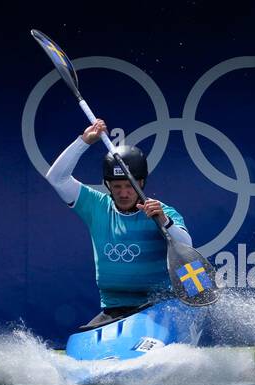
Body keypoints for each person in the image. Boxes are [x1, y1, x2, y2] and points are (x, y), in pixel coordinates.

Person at [47, 119, 195, 329]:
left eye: (129, 186)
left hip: (158, 308)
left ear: (141, 183)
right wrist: (84, 141)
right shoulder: (96, 206)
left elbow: (187, 246)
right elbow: (57, 178)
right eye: (117, 186)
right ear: (108, 184)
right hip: (114, 310)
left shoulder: (160, 211)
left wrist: (163, 221)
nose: (123, 193)